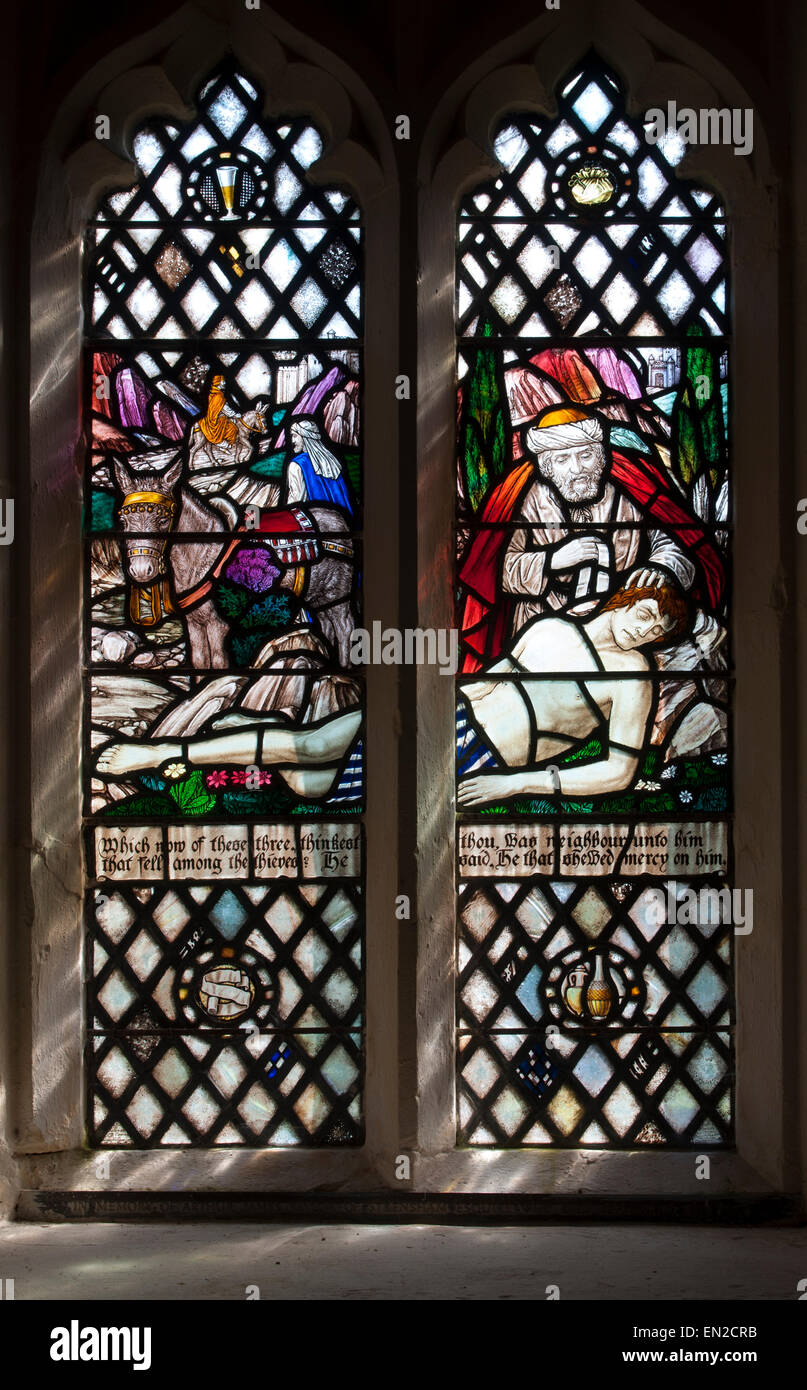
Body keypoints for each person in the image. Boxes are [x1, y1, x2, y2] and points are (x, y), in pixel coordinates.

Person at [458, 405, 724, 670]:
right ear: (547, 467)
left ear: (600, 457)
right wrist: (553, 560)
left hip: (623, 630)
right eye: (563, 460)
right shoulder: (525, 498)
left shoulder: (631, 489)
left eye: (585, 455)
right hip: (541, 632)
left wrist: (660, 566)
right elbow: (496, 571)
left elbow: (678, 541)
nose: (577, 469)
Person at [456, 580, 689, 807]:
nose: (644, 631)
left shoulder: (632, 674)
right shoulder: (549, 626)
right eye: (644, 615)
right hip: (454, 721)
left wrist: (516, 783)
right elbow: (482, 686)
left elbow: (620, 771)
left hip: (486, 760)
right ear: (624, 599)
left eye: (657, 631)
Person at [285, 418, 354, 517]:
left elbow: (296, 502)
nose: (292, 440)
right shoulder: (332, 462)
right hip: (341, 523)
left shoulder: (297, 465)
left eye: (295, 436)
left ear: (305, 437)